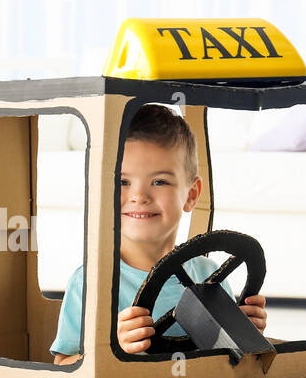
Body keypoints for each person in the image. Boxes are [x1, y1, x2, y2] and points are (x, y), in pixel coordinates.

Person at [51, 103, 266, 364]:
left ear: (191, 195)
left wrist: (245, 332)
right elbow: (64, 364)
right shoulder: (90, 283)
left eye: (159, 182)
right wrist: (112, 350)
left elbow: (227, 356)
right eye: (123, 182)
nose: (139, 196)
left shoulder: (209, 275)